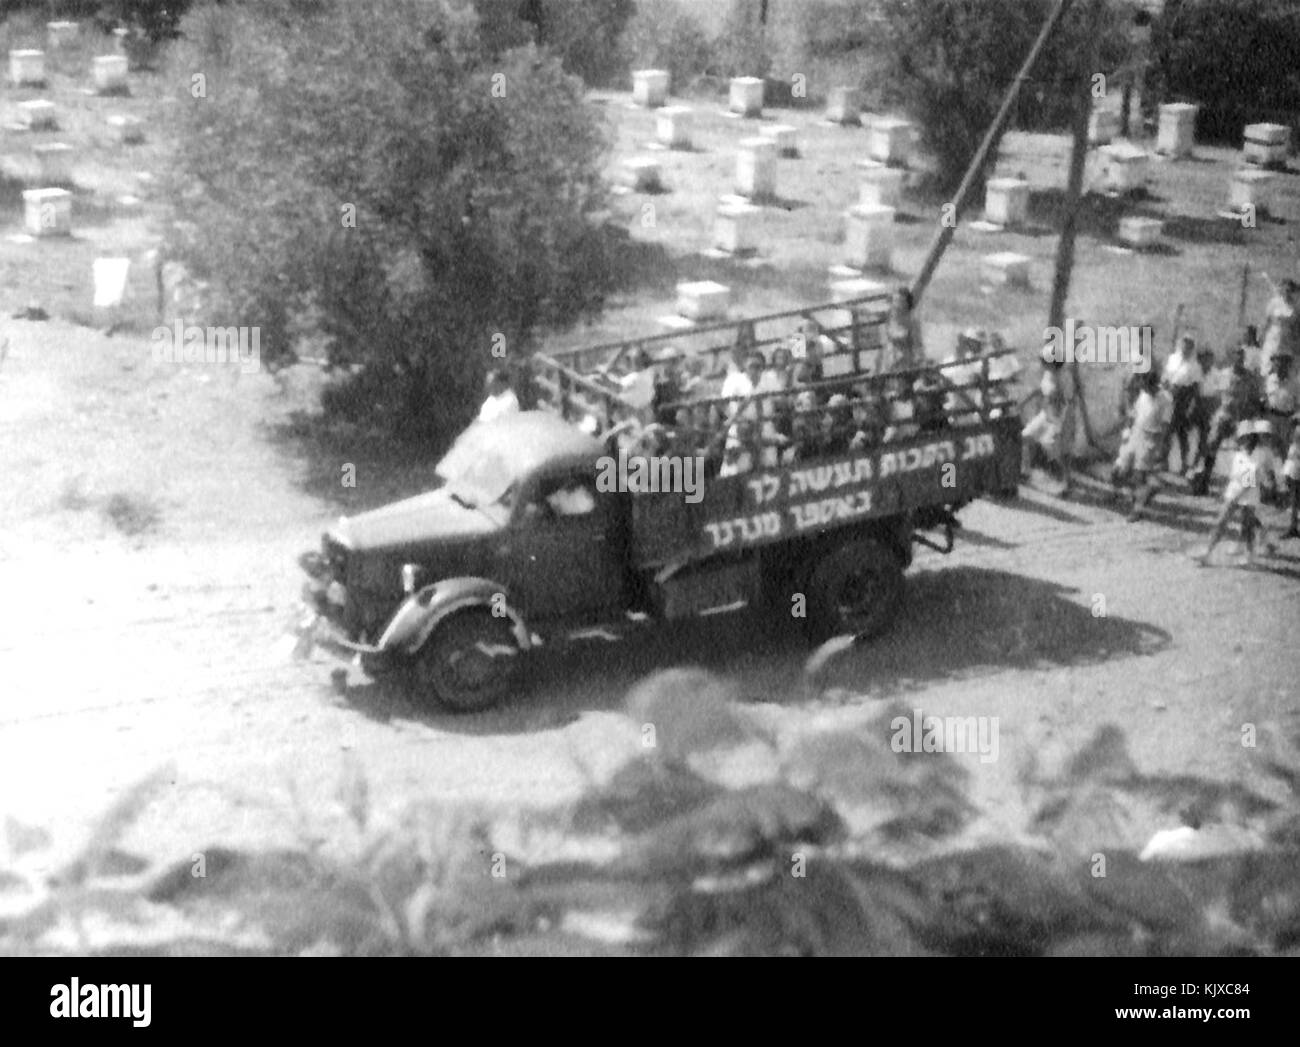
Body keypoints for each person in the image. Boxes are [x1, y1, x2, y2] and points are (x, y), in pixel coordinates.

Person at [1196, 420, 1283, 566]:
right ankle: (1208, 552)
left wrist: (1236, 497)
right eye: (1243, 437)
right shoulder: (1239, 452)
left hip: (1249, 494)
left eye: (1249, 436)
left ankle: (1250, 555)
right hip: (1234, 490)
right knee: (1220, 522)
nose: (1246, 439)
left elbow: (1249, 481)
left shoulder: (1259, 455)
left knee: (1248, 526)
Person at [1190, 342, 1264, 496]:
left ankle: (1246, 489)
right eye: (1235, 357)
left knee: (1246, 453)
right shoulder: (1223, 374)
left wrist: (1252, 417)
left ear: (1244, 359)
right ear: (1231, 359)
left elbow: (1256, 399)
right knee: (1210, 447)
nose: (1238, 360)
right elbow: (1215, 395)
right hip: (1224, 414)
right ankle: (1203, 482)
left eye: (1241, 357)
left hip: (1242, 417)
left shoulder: (1250, 378)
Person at [1112, 367, 1166, 521]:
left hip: (1151, 438)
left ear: (1155, 384)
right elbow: (1135, 414)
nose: (1145, 388)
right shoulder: (1143, 395)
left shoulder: (1165, 400)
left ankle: (1137, 509)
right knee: (1119, 469)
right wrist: (1127, 431)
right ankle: (1150, 487)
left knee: (1139, 476)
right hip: (1136, 433)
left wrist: (1160, 447)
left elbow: (1165, 426)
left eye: (1148, 385)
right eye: (1143, 385)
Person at [1021, 344, 1075, 495]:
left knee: (1055, 453)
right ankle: (1025, 472)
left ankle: (1065, 483)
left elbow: (1062, 403)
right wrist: (1025, 401)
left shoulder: (1060, 379)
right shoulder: (1048, 374)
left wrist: (1058, 425)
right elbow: (1041, 389)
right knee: (1025, 437)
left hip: (1056, 419)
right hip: (1046, 415)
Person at [1162, 334, 1203, 475]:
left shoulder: (1194, 366)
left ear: (1192, 348)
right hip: (1169, 396)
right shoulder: (1173, 358)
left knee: (1181, 433)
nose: (1185, 348)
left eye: (1189, 346)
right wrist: (1166, 387)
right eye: (1184, 345)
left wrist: (1190, 406)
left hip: (1183, 399)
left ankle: (1184, 463)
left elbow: (1195, 388)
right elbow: (1165, 376)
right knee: (1166, 430)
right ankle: (1163, 461)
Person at [1260, 279, 1300, 377]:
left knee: (1284, 373)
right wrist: (1261, 336)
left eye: (1290, 290)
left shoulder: (1296, 307)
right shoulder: (1274, 303)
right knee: (1267, 370)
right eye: (1285, 290)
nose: (1287, 293)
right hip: (1272, 340)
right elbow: (1266, 322)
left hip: (1287, 344)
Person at [883, 287, 923, 372]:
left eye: (900, 302)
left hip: (905, 365)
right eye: (895, 301)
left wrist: (919, 361)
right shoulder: (890, 319)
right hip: (890, 362)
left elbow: (917, 344)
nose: (896, 305)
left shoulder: (912, 322)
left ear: (906, 304)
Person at [1283, 412, 1300, 540]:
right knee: (1294, 496)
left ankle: (1293, 526)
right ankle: (1293, 526)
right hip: (1293, 466)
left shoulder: (1297, 431)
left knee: (1294, 497)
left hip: (1296, 466)